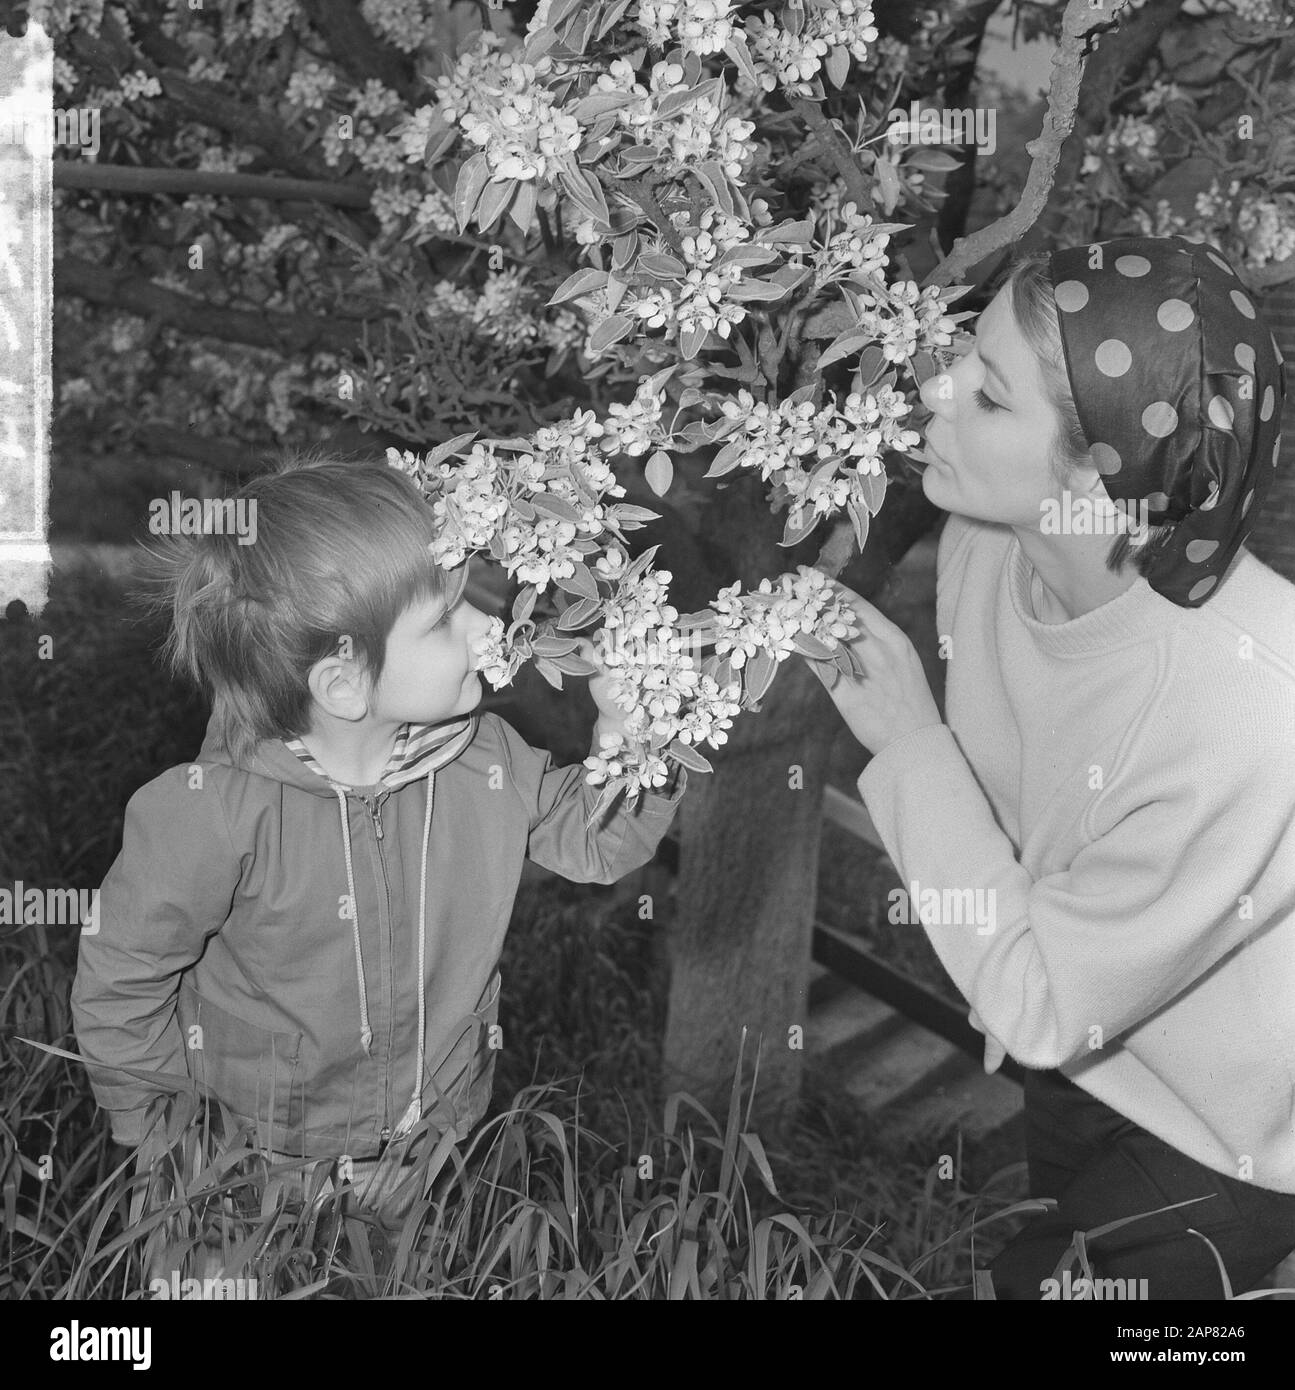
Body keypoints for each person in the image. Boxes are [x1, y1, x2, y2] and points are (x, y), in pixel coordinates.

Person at [816, 234, 1295, 1299]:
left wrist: (906, 747)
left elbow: (1040, 997)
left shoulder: (1255, 706)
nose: (930, 390)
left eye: (984, 396)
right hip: (1069, 1060)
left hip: (1222, 1146)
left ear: (1098, 468)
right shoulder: (988, 549)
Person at [72, 452, 685, 1228]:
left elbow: (592, 842)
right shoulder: (210, 814)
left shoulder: (484, 762)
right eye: (443, 618)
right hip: (243, 1163)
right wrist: (167, 1135)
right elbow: (121, 979)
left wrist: (636, 732)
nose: (488, 625)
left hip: (419, 1151)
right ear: (343, 682)